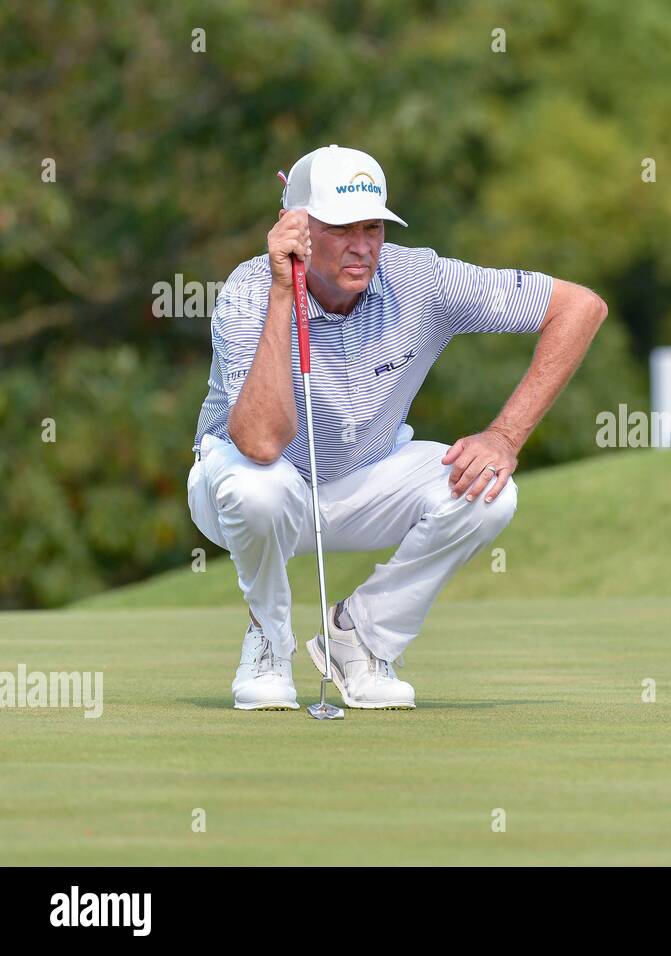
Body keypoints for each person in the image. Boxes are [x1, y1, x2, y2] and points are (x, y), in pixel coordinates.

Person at [187, 144, 606, 711]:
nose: (363, 246)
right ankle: (268, 640)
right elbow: (260, 444)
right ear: (297, 228)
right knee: (256, 487)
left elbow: (580, 307)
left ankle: (359, 640)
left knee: (489, 491)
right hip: (247, 485)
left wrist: (504, 437)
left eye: (374, 227)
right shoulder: (248, 290)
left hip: (363, 479)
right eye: (340, 229)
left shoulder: (420, 280)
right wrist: (284, 298)